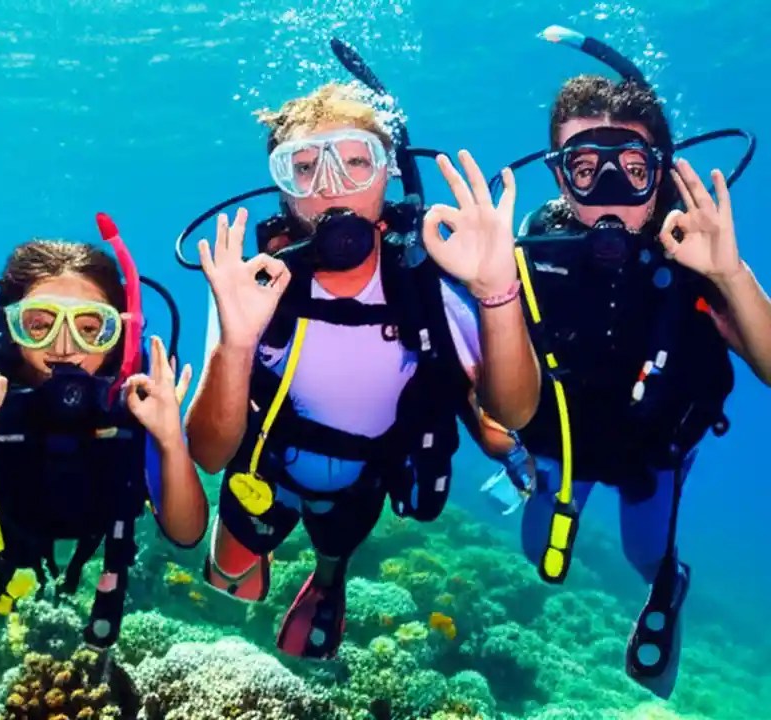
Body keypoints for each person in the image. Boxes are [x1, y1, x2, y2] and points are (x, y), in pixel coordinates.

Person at [181, 80, 541, 660]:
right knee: (226, 576)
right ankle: (264, 556)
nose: (331, 190)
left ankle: (327, 580)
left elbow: (515, 412)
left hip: (366, 478)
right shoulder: (248, 285)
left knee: (334, 543)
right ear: (283, 188)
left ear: (389, 174)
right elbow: (209, 454)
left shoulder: (429, 279)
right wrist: (236, 344)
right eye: (304, 168)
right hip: (266, 470)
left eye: (356, 162)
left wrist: (497, 292)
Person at [483, 29, 771, 698]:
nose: (609, 189)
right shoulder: (532, 256)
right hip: (563, 446)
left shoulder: (697, 254)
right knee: (535, 552)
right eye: (586, 169)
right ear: (559, 175)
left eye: (633, 169)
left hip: (655, 451)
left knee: (648, 558)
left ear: (662, 171)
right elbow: (495, 394)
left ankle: (670, 587)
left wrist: (731, 275)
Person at [0, 218, 207, 650]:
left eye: (90, 327)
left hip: (109, 540)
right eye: (38, 324)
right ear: (10, 328)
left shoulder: (140, 395)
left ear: (119, 335)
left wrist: (171, 441)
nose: (64, 346)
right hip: (13, 538)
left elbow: (186, 534)